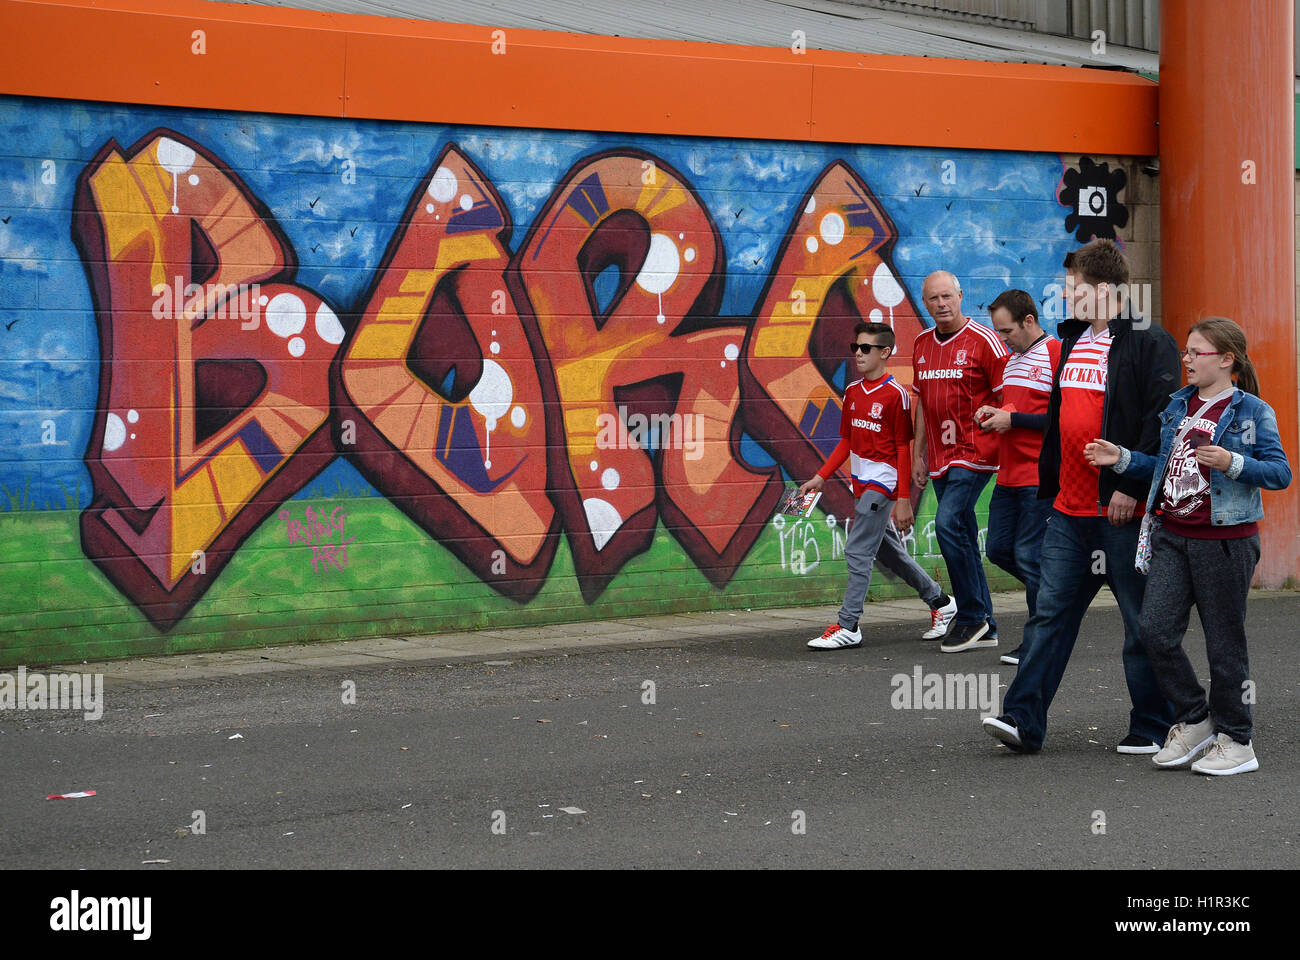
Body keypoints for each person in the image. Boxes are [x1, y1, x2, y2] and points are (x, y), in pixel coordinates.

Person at [982, 238, 1178, 754]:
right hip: (1068, 511)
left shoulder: (1148, 342)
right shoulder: (1070, 342)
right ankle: (1023, 722)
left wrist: (1132, 489)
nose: (1066, 296)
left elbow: (1160, 422)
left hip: (1120, 512)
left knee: (1139, 624)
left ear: (1106, 289)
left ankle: (1153, 725)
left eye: (1074, 288)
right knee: (1049, 616)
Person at [1084, 317, 1291, 775]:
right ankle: (1195, 719)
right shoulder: (1179, 405)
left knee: (1224, 646)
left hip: (1225, 543)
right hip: (1173, 536)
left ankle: (1238, 740)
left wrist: (1233, 461)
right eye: (1186, 352)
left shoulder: (1251, 411)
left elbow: (1279, 473)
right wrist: (1122, 459)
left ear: (1226, 359)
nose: (1187, 359)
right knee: (1154, 631)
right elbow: (1164, 463)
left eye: (1197, 352)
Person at [801, 322, 956, 649]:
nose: (858, 353)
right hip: (861, 483)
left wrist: (903, 500)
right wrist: (821, 476)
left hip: (882, 485)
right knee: (888, 552)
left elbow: (903, 449)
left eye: (866, 348)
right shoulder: (853, 393)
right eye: (855, 347)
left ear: (885, 352)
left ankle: (849, 625)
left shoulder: (897, 395)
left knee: (857, 550)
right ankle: (941, 602)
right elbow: (847, 441)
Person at [912, 271, 1007, 652]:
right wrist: (918, 453)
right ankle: (986, 624)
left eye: (947, 296)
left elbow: (1006, 395)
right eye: (934, 298)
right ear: (926, 303)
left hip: (975, 450)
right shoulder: (921, 344)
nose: (942, 304)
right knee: (962, 532)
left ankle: (969, 616)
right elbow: (922, 403)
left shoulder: (984, 340)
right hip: (939, 456)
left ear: (961, 295)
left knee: (948, 522)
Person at [974, 289, 1060, 666]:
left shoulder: (1058, 354)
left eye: (1007, 331)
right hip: (1007, 475)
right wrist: (996, 413)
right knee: (998, 551)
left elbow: (1064, 420)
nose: (1003, 339)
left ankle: (1038, 641)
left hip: (1038, 476)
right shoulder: (1012, 361)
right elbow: (1018, 409)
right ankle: (1057, 600)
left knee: (1028, 555)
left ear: (1029, 321)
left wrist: (1014, 420)